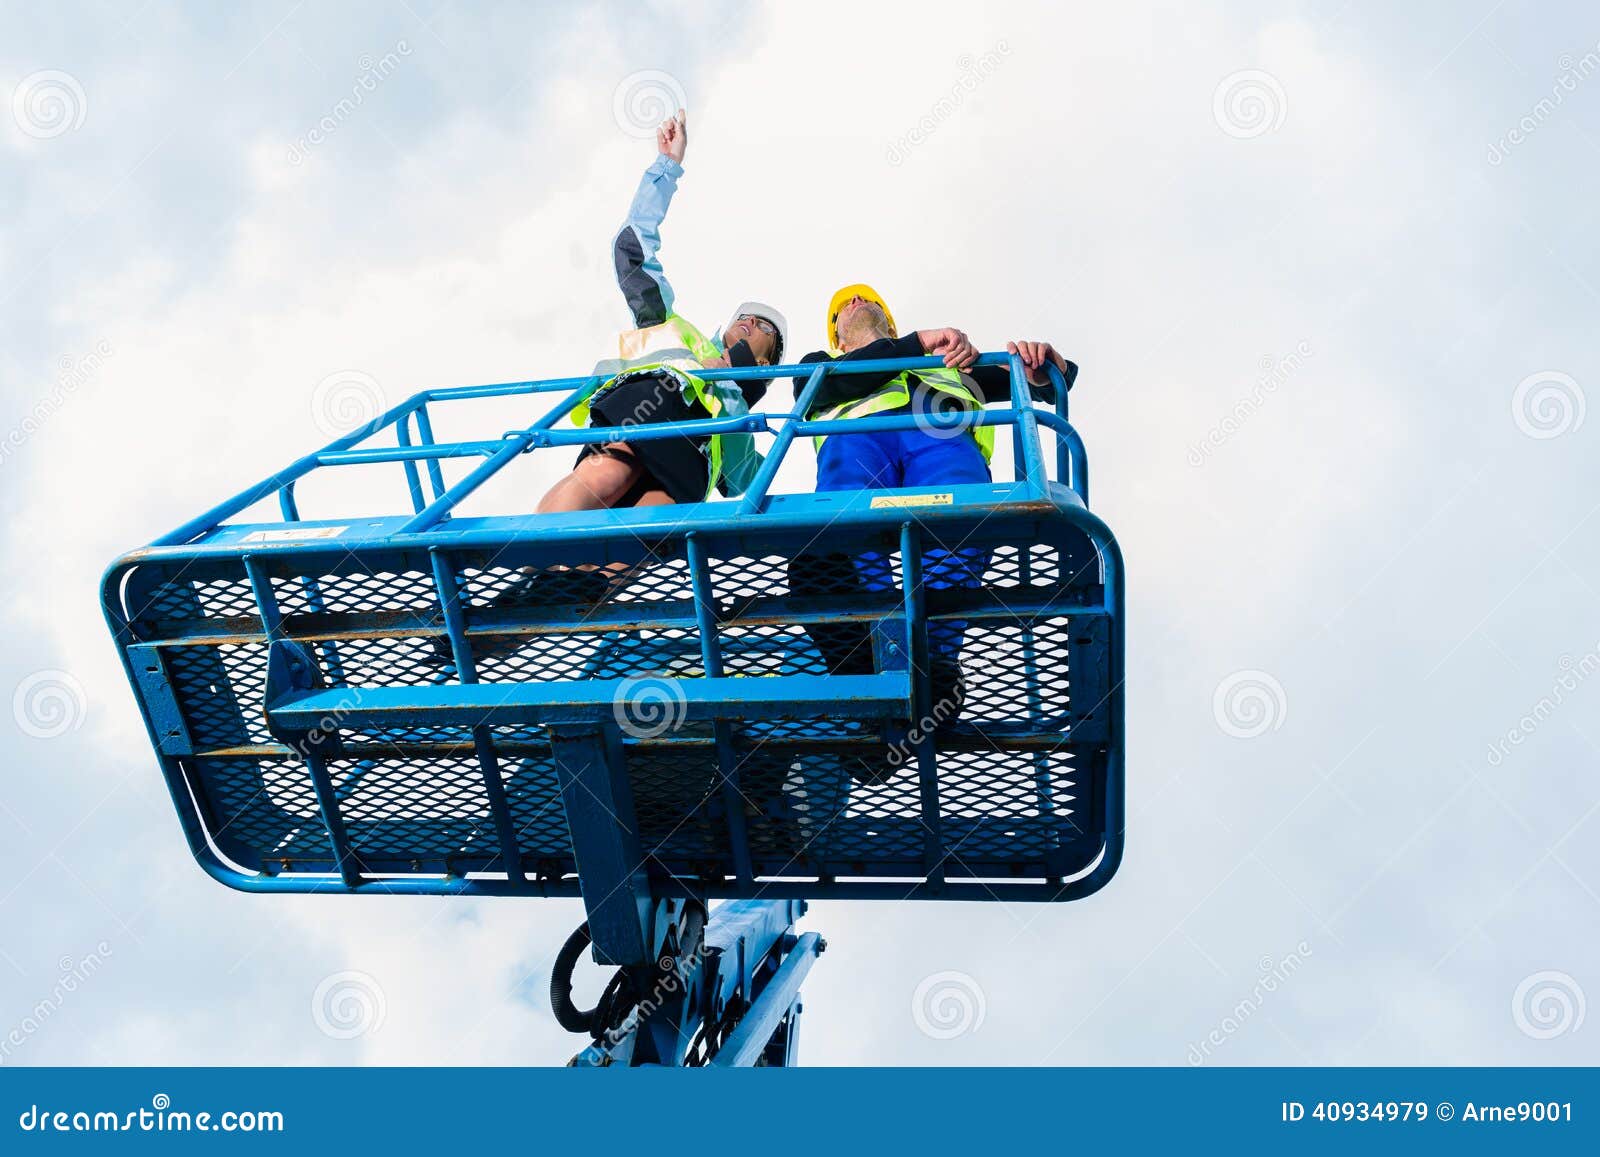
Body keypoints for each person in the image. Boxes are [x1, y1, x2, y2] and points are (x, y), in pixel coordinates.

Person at [503, 108, 788, 608]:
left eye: (765, 327)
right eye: (744, 316)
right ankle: (532, 572)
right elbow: (631, 250)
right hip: (650, 407)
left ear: (769, 363)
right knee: (609, 475)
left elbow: (750, 481)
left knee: (654, 516)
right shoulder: (672, 327)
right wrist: (666, 167)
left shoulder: (741, 419)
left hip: (693, 459)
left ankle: (576, 593)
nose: (750, 323)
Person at [787, 284, 1074, 762]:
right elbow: (817, 386)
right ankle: (879, 672)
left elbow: (1041, 380)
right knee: (847, 525)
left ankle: (931, 667)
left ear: (890, 321)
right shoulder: (822, 362)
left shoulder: (951, 361)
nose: (856, 303)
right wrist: (917, 343)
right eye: (843, 307)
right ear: (835, 335)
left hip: (939, 436)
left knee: (955, 518)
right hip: (858, 440)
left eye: (868, 300)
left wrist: (1045, 364)